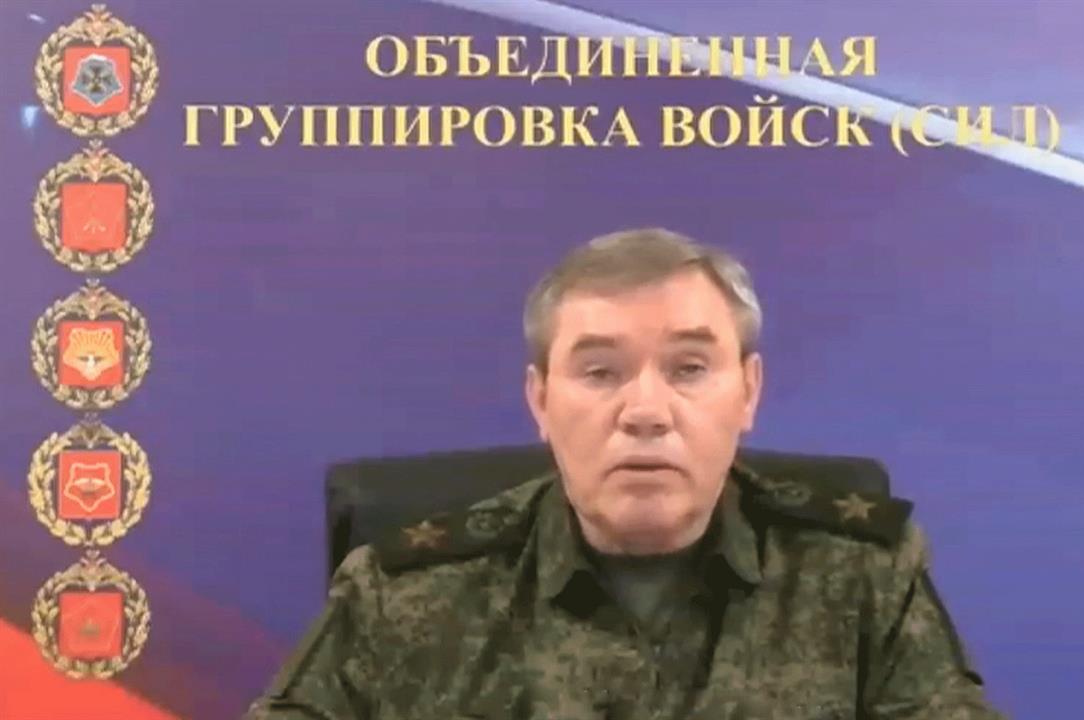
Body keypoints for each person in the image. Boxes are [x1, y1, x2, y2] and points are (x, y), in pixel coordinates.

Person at [245, 228, 1006, 719]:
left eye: (689, 368)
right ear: (541, 401)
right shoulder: (403, 594)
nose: (646, 410)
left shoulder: (862, 578)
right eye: (601, 371)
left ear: (749, 393)